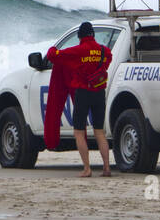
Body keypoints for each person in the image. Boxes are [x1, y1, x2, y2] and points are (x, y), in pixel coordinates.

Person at [47, 22, 113, 177]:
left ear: (80, 36)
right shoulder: (105, 51)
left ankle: (87, 169)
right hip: (99, 93)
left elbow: (53, 56)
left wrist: (53, 49)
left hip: (83, 93)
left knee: (79, 132)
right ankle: (106, 168)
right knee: (99, 132)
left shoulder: (78, 51)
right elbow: (107, 63)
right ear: (93, 35)